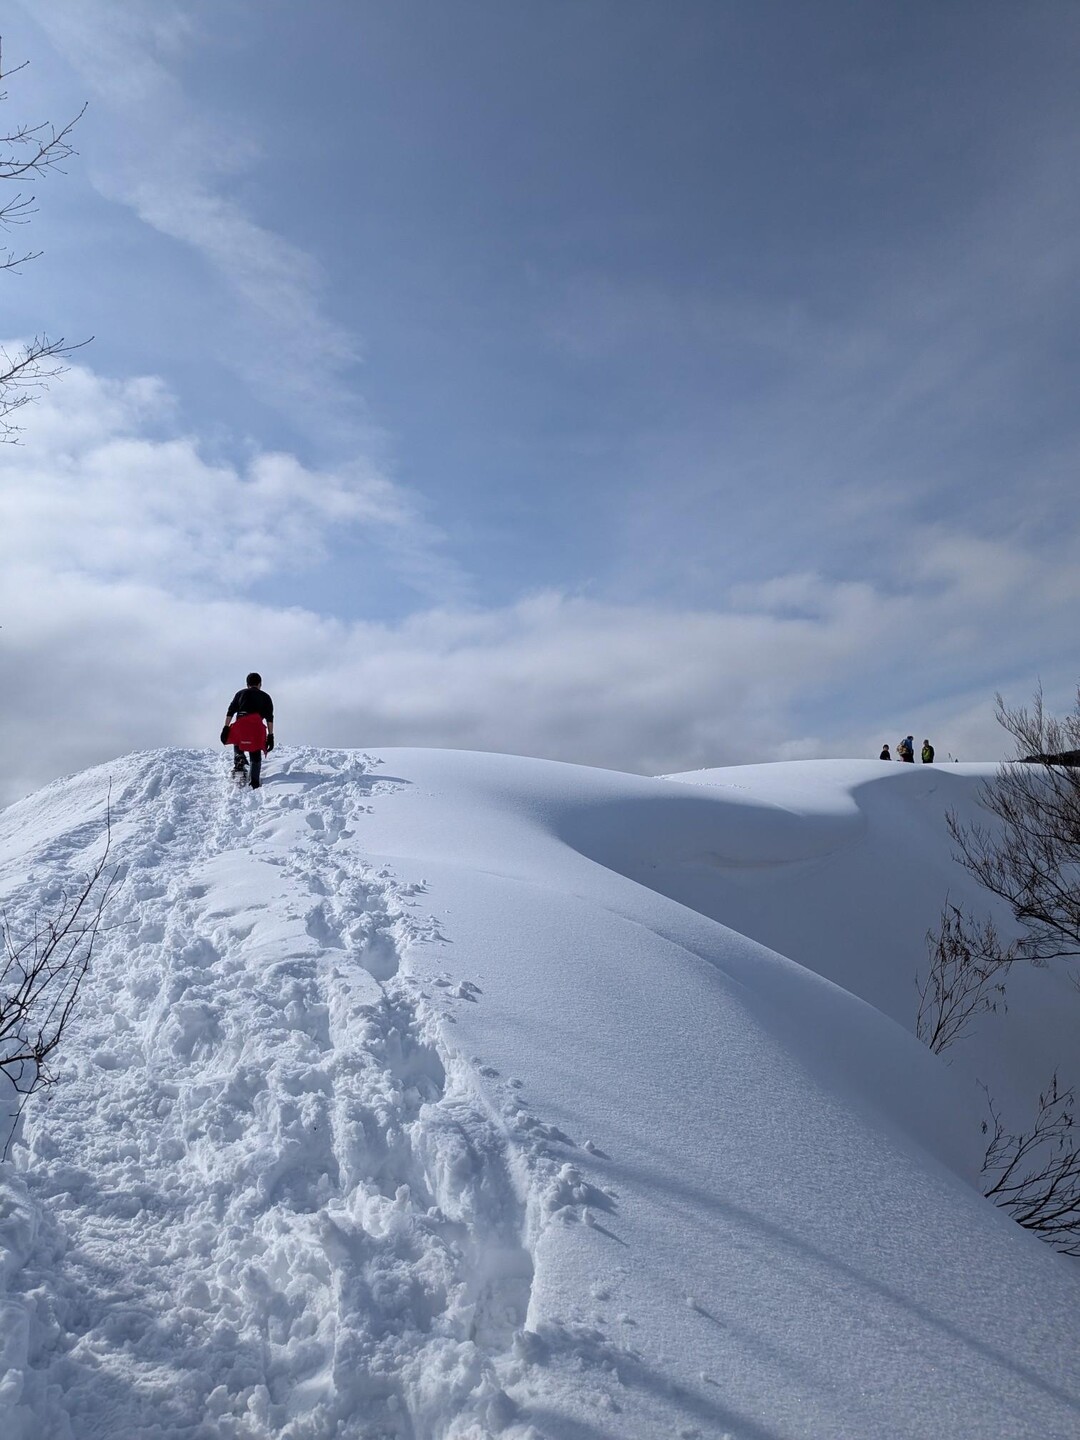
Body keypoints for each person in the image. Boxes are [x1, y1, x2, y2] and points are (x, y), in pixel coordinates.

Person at [221, 672, 275, 788]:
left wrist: (225, 728)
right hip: (256, 730)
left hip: (241, 727)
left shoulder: (240, 694)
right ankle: (254, 781)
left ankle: (239, 765)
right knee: (255, 752)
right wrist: (270, 736)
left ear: (247, 684)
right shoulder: (265, 697)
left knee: (238, 742)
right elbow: (270, 719)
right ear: (260, 684)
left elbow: (230, 712)